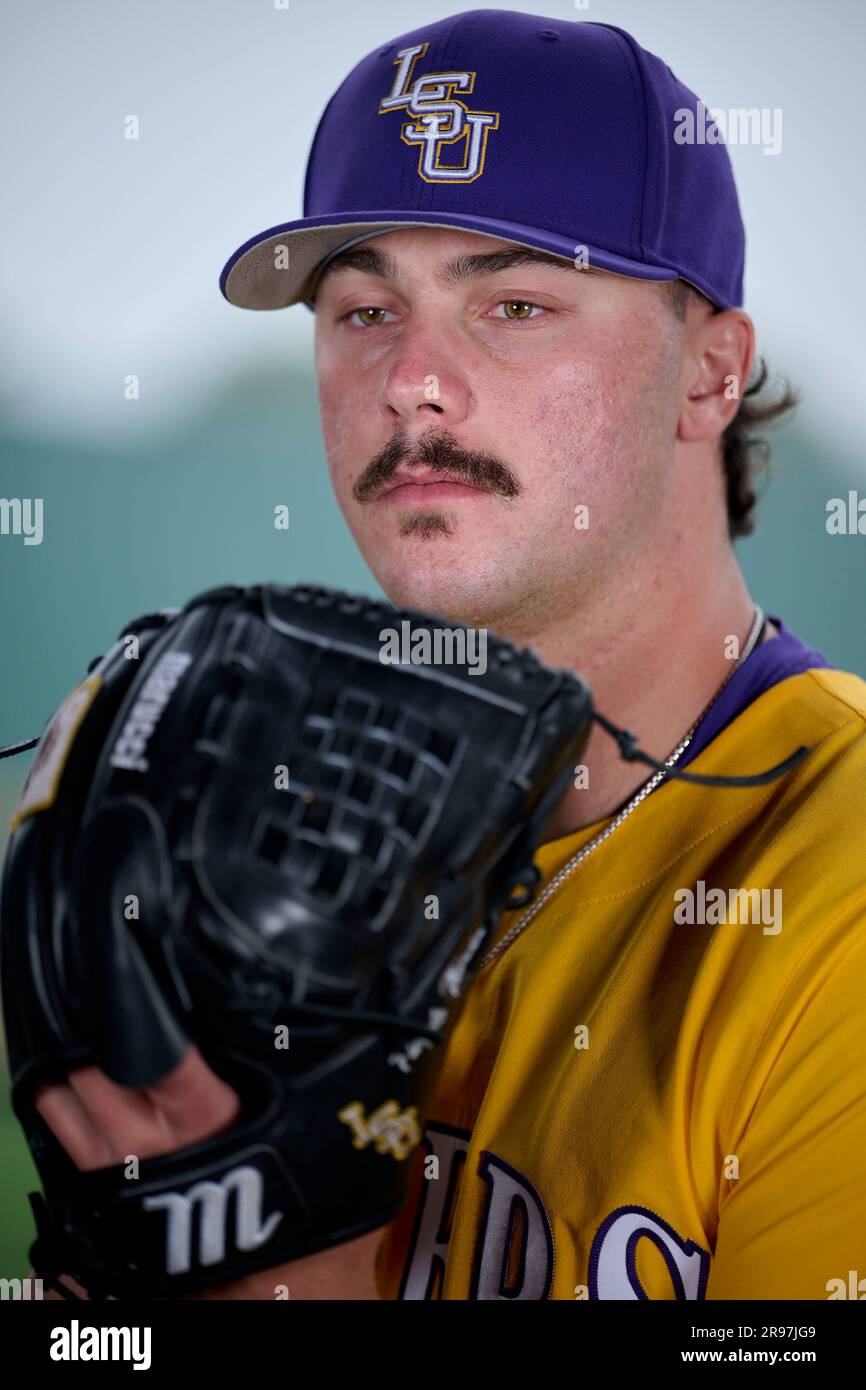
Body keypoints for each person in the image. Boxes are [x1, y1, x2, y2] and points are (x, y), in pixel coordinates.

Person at [34, 10, 866, 1300]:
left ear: (711, 374)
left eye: (516, 304)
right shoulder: (282, 865)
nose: (413, 379)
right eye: (365, 310)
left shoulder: (836, 882)